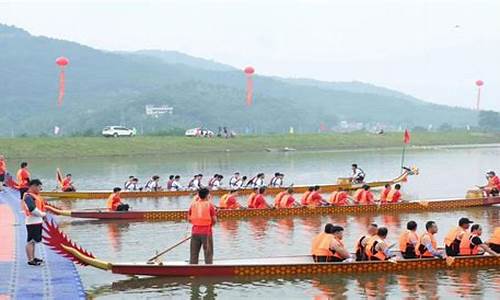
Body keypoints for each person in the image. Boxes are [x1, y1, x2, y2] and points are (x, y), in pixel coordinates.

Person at [22, 179, 47, 266]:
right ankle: (30, 260)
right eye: (39, 187)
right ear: (33, 186)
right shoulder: (28, 196)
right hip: (32, 221)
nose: (40, 189)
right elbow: (32, 209)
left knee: (34, 241)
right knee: (30, 241)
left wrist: (43, 217)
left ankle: (33, 257)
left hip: (37, 221)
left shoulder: (35, 196)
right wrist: (43, 214)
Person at [188, 188, 217, 264]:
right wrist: (210, 225)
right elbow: (214, 220)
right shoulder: (210, 205)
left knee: (193, 253)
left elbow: (189, 219)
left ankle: (193, 269)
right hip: (206, 232)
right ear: (207, 195)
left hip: (195, 232)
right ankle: (209, 269)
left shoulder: (193, 204)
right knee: (208, 253)